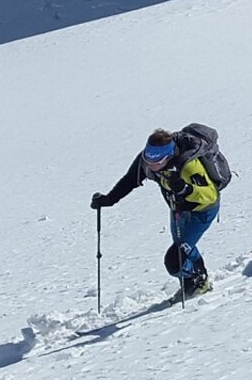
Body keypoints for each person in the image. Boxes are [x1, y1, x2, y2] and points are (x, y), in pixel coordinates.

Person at [90, 127, 223, 299]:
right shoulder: (148, 159)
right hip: (177, 210)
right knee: (182, 246)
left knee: (175, 261)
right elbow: (131, 179)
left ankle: (198, 281)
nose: (151, 166)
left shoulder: (188, 166)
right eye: (149, 160)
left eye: (157, 162)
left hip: (202, 212)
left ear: (168, 157)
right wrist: (109, 199)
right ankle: (193, 281)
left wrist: (186, 189)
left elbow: (211, 195)